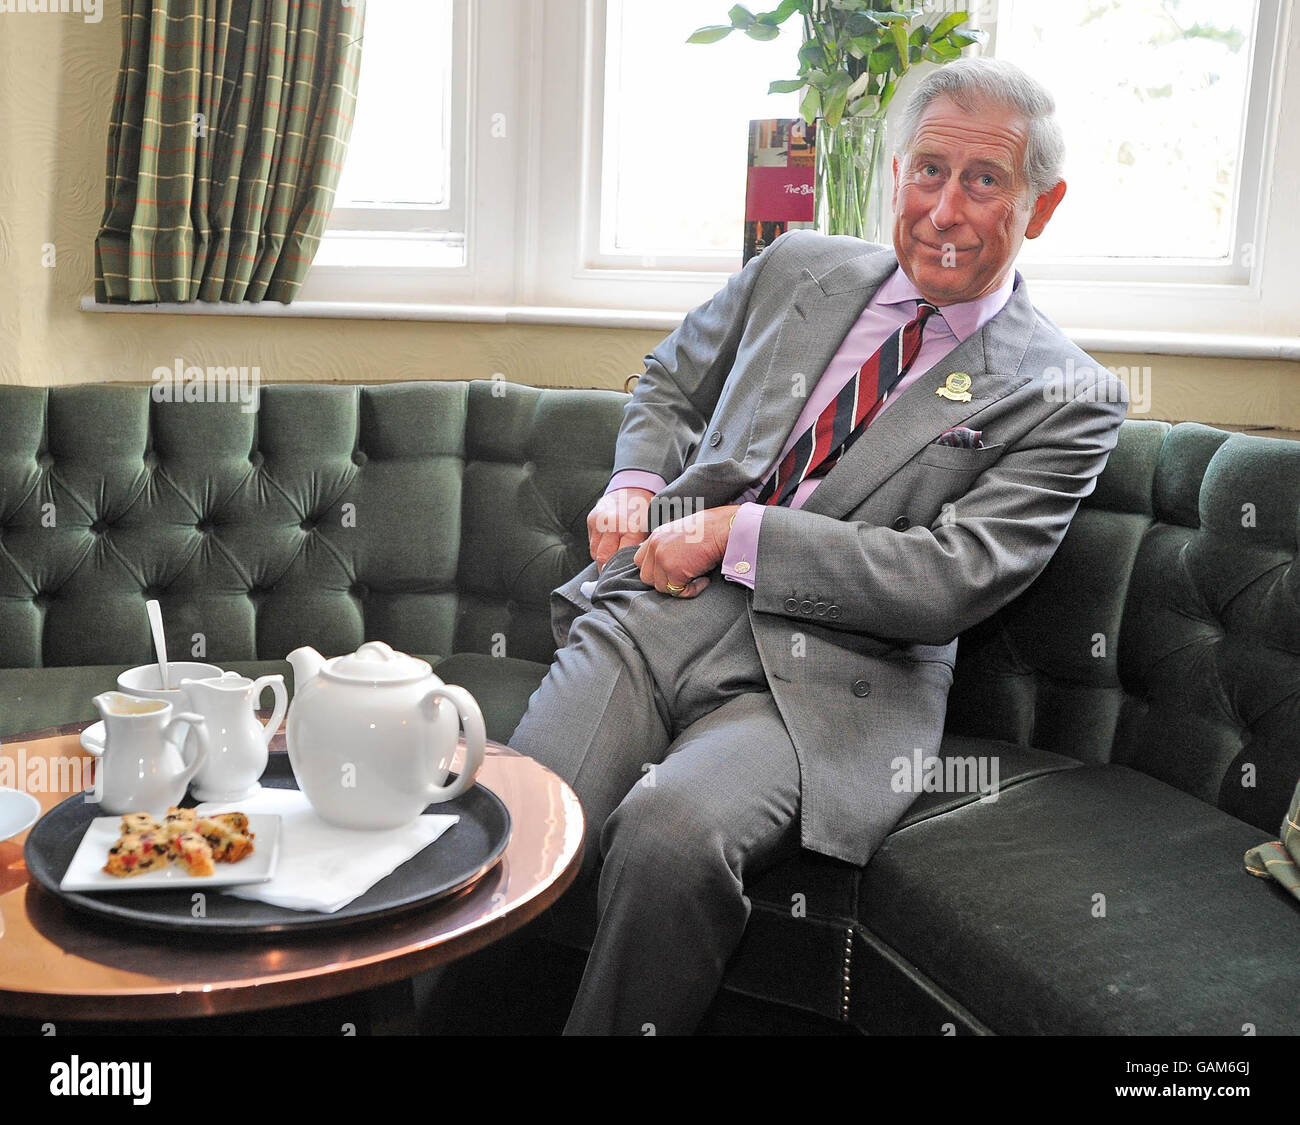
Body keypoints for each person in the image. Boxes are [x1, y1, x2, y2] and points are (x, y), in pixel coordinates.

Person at [509, 57, 1130, 1035]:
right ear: (897, 174)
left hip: (834, 686)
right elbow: (671, 381)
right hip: (653, 614)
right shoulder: (796, 265)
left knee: (670, 840)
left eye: (984, 181)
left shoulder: (1069, 396)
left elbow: (950, 578)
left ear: (1040, 207)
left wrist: (738, 532)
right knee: (522, 820)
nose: (945, 211)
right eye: (929, 171)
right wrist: (635, 483)